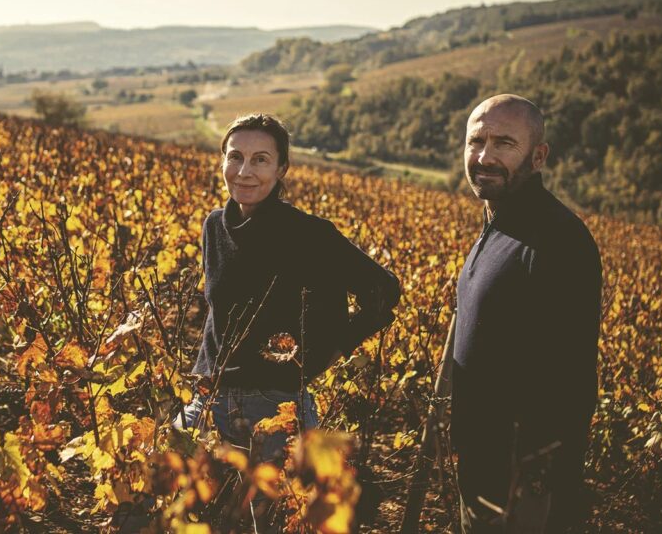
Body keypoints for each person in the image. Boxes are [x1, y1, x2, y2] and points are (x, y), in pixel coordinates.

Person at [176, 113, 400, 529]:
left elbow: (384, 292)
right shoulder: (213, 226)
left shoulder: (309, 234)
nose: (244, 171)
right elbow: (219, 313)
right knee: (179, 502)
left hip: (276, 405)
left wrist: (327, 354)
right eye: (235, 157)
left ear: (281, 170)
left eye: (260, 160)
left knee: (274, 522)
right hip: (208, 403)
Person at [451, 94, 602, 532]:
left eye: (504, 144)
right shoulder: (499, 228)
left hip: (521, 490)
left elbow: (570, 380)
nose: (484, 156)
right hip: (484, 472)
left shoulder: (557, 241)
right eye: (476, 141)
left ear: (538, 156)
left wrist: (536, 487)